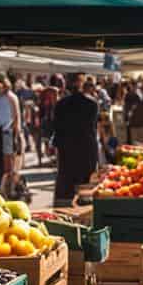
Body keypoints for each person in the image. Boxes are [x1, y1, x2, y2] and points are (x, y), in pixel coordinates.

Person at [50, 74, 99, 204]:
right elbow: (93, 128)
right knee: (85, 186)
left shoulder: (61, 104)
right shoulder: (92, 104)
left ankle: (63, 209)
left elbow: (56, 127)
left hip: (67, 148)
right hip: (86, 148)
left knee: (66, 183)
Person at [0, 75, 22, 196]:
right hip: (0, 130)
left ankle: (10, 188)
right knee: (5, 161)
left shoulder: (11, 97)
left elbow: (16, 115)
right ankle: (7, 187)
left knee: (9, 162)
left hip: (8, 131)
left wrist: (16, 133)